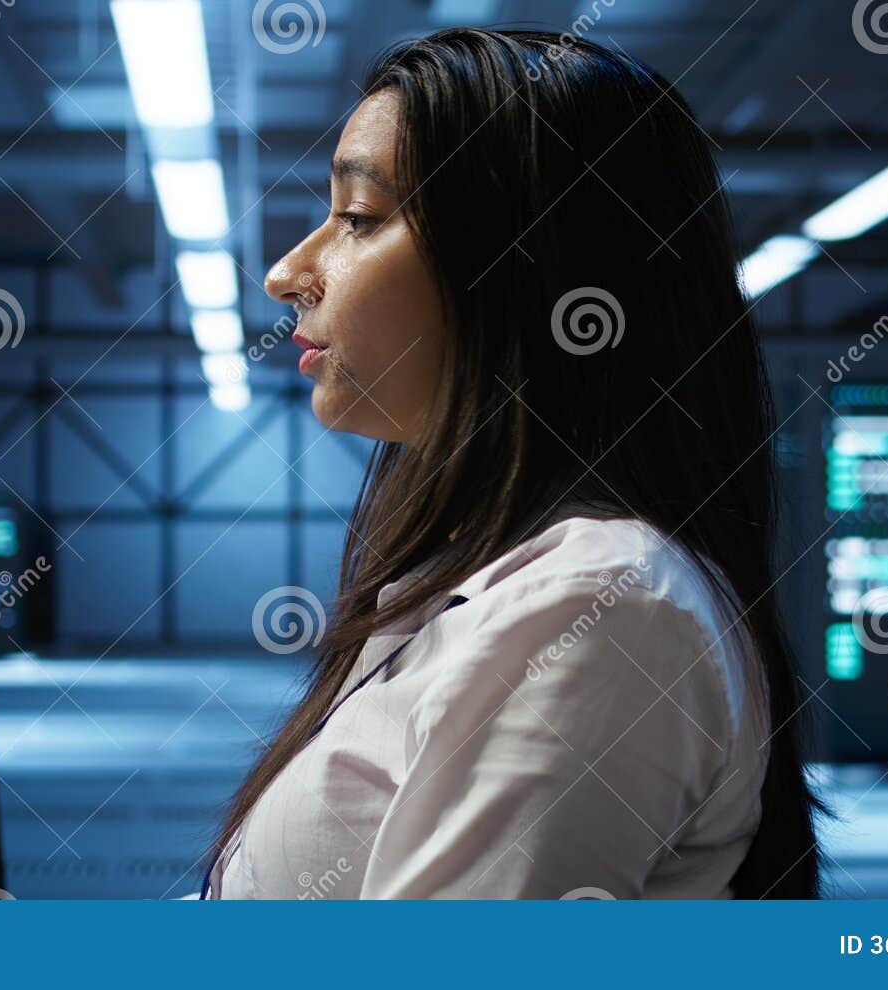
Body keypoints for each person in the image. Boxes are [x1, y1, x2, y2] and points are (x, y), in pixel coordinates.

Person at [205, 27, 822, 899]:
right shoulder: (490, 582)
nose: (287, 272)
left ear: (530, 265)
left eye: (359, 217)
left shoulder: (599, 609)